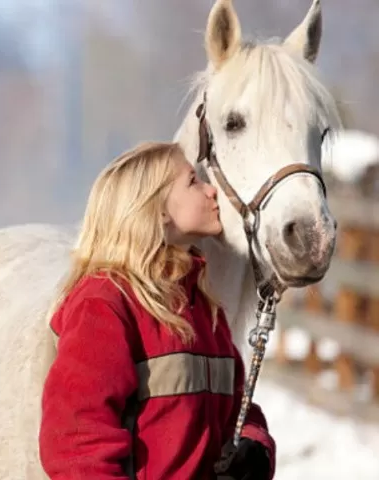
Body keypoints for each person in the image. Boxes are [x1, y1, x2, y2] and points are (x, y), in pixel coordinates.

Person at [38, 141, 276, 480]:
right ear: (158, 211)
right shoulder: (103, 305)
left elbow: (238, 410)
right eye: (194, 181)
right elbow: (76, 444)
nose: (211, 192)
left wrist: (255, 450)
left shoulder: (203, 307)